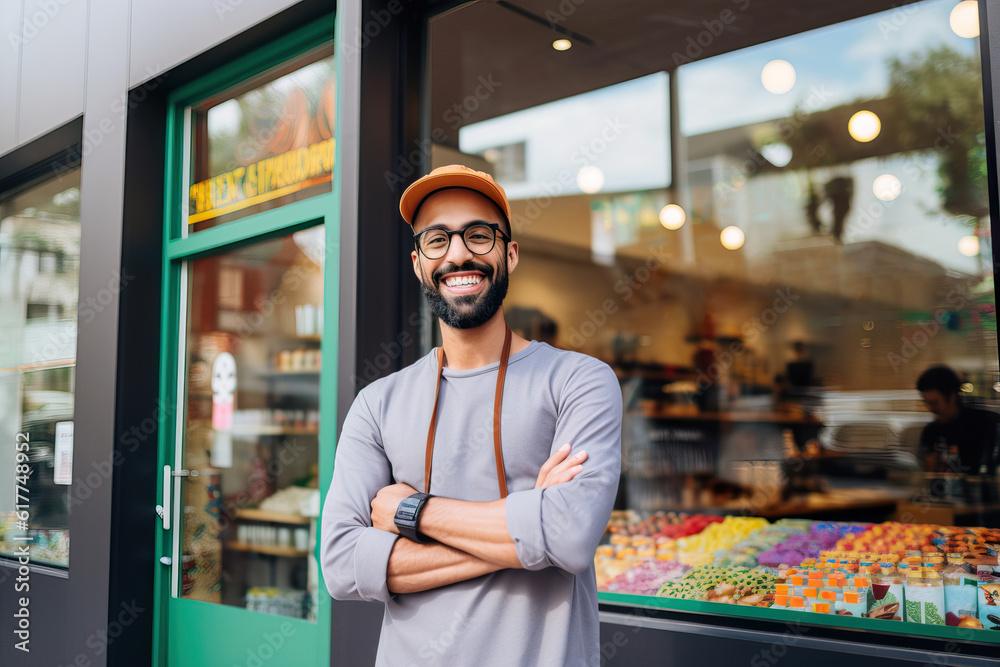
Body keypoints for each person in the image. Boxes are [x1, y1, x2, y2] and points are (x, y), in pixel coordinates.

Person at [321, 165, 623, 665]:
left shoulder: (579, 381)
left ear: (510, 253)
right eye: (437, 240)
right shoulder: (377, 404)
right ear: (418, 263)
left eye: (478, 236)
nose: (459, 253)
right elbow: (340, 565)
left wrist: (411, 512)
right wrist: (530, 529)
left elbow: (569, 538)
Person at [917, 365, 999, 475]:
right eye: (927, 403)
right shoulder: (931, 431)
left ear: (952, 397)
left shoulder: (983, 423)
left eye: (935, 403)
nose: (931, 409)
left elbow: (986, 466)